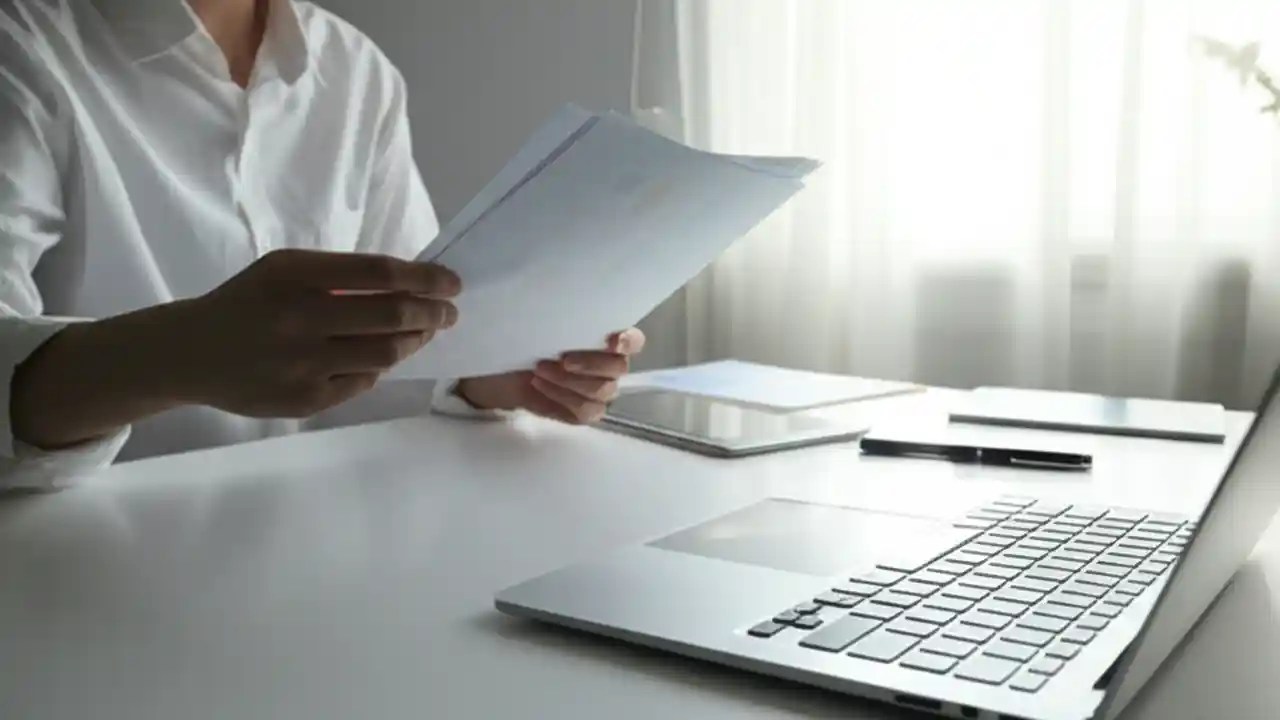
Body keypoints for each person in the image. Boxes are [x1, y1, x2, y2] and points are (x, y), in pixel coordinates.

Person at [0, 0, 645, 487]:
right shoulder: (22, 50)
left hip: (310, 543)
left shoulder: (355, 70)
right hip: (68, 577)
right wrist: (180, 353)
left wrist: (494, 374)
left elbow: (399, 338)